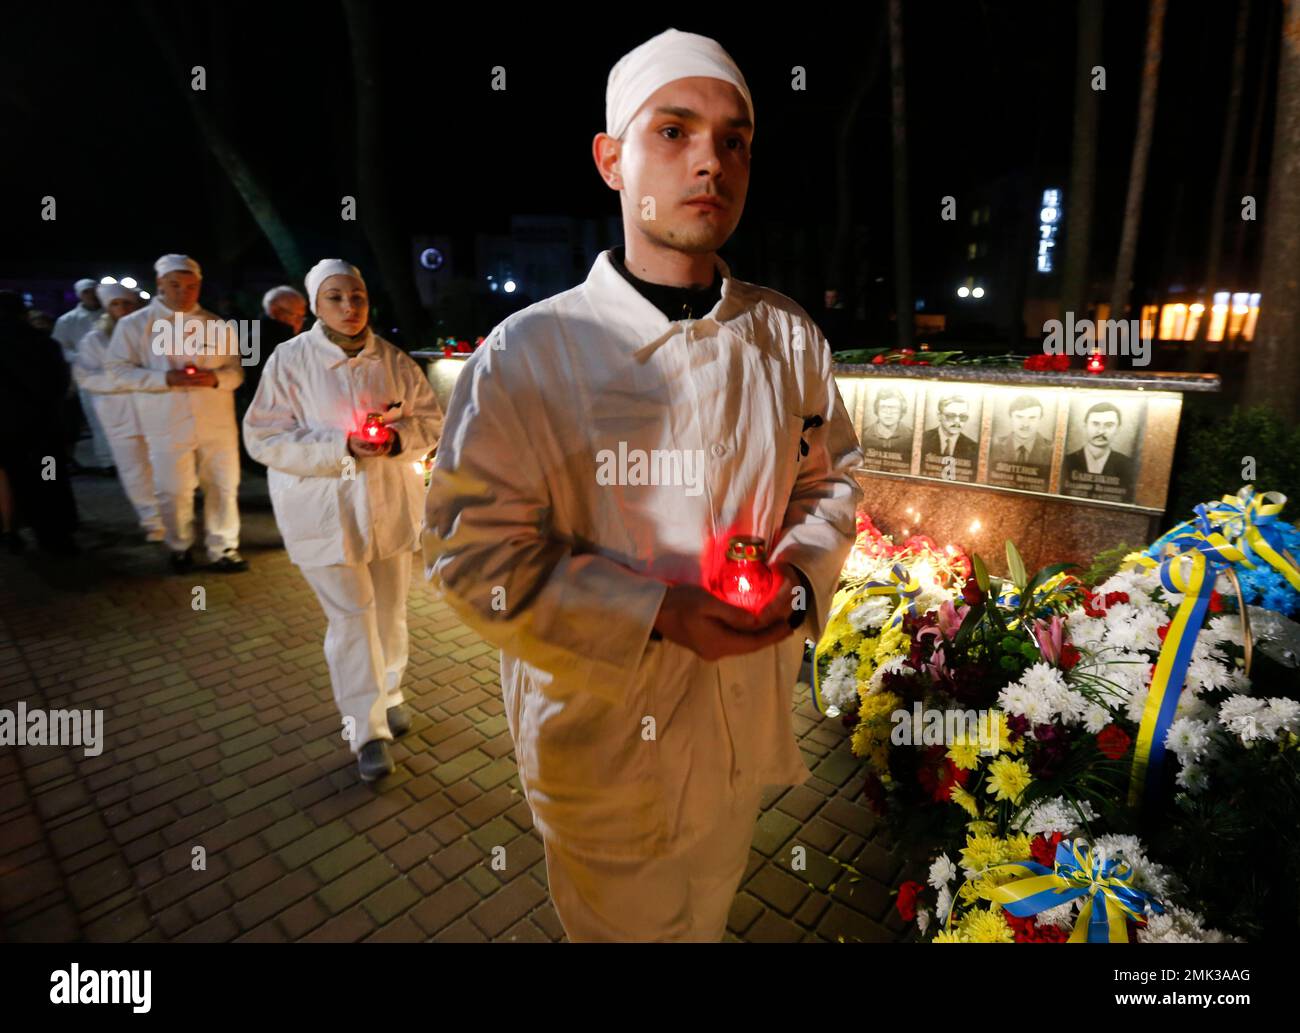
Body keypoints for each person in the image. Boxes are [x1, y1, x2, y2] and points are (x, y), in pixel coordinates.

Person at [424, 28, 863, 941]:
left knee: (707, 916)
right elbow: (472, 553)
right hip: (605, 745)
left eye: (734, 138)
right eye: (674, 130)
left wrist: (794, 580)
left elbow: (828, 486)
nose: (711, 159)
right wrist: (654, 613)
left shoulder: (786, 338)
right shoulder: (530, 354)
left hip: (739, 728)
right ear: (612, 159)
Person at [244, 260, 443, 783]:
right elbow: (262, 438)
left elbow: (429, 419)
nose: (350, 307)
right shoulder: (289, 362)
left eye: (357, 296)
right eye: (335, 298)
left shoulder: (394, 360)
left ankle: (392, 689)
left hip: (389, 510)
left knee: (390, 611)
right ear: (315, 305)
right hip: (325, 514)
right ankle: (367, 729)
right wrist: (340, 447)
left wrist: (399, 440)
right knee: (352, 619)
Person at [105, 254, 248, 573]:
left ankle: (224, 547)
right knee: (173, 489)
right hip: (165, 423)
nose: (184, 292)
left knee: (224, 485)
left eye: (191, 286)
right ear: (160, 285)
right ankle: (179, 545)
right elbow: (117, 370)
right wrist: (163, 379)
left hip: (216, 422)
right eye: (175, 285)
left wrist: (216, 379)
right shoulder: (135, 325)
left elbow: (236, 371)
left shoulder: (216, 324)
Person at [73, 284, 163, 541]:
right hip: (119, 415)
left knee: (163, 466)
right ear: (107, 307)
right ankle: (152, 520)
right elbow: (87, 377)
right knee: (133, 469)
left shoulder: (152, 334)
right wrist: (129, 380)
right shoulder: (94, 339)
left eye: (127, 303)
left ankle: (172, 513)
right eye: (116, 304)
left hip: (154, 412)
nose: (123, 309)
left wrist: (136, 379)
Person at [0, 291, 80, 555]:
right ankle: (57, 532)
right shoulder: (42, 343)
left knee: (18, 479)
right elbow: (58, 384)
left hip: (9, 432)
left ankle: (20, 530)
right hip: (43, 429)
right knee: (50, 477)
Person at [53, 278, 114, 471]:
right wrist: (82, 356)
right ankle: (107, 461)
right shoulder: (67, 320)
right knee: (97, 418)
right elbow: (60, 347)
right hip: (89, 374)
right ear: (80, 295)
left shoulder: (112, 314)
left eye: (94, 291)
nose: (92, 295)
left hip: (117, 373)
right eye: (87, 292)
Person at [1062, 401, 1135, 501]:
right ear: (1085, 426)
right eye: (1095, 424)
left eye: (1109, 425)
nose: (1101, 431)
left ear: (1118, 429)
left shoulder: (1128, 466)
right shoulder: (1065, 461)